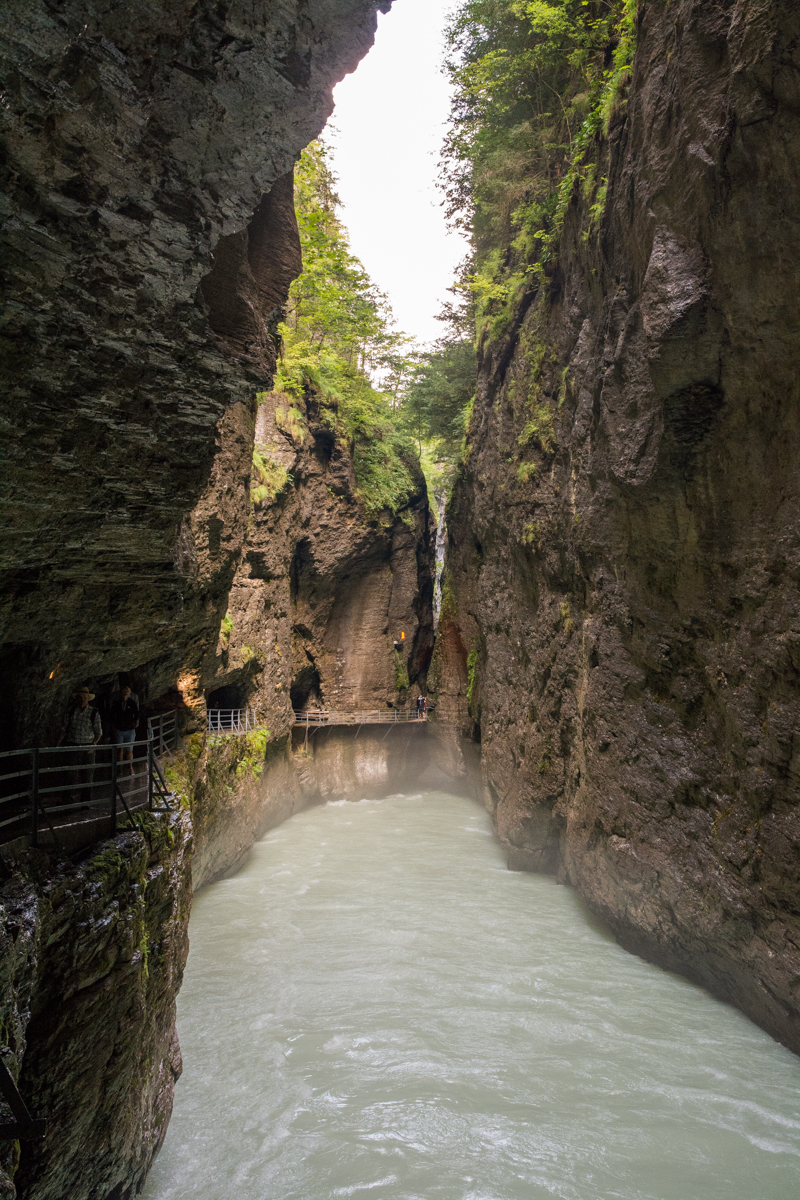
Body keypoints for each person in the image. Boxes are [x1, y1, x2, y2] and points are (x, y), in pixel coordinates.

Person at [58, 686, 102, 800]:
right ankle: (67, 797)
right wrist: (57, 744)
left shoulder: (94, 713)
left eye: (84, 696)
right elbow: (64, 729)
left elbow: (98, 732)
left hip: (88, 746)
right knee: (70, 773)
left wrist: (94, 744)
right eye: (80, 696)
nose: (82, 698)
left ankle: (85, 799)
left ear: (88, 698)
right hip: (72, 744)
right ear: (77, 698)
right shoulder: (71, 711)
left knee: (87, 774)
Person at [110, 685, 139, 772]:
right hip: (119, 729)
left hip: (129, 729)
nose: (125, 693)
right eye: (124, 691)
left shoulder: (132, 703)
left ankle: (130, 766)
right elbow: (112, 714)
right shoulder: (117, 703)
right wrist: (116, 723)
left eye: (127, 691)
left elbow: (137, 714)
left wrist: (133, 722)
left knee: (129, 750)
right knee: (120, 750)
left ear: (130, 694)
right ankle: (120, 768)